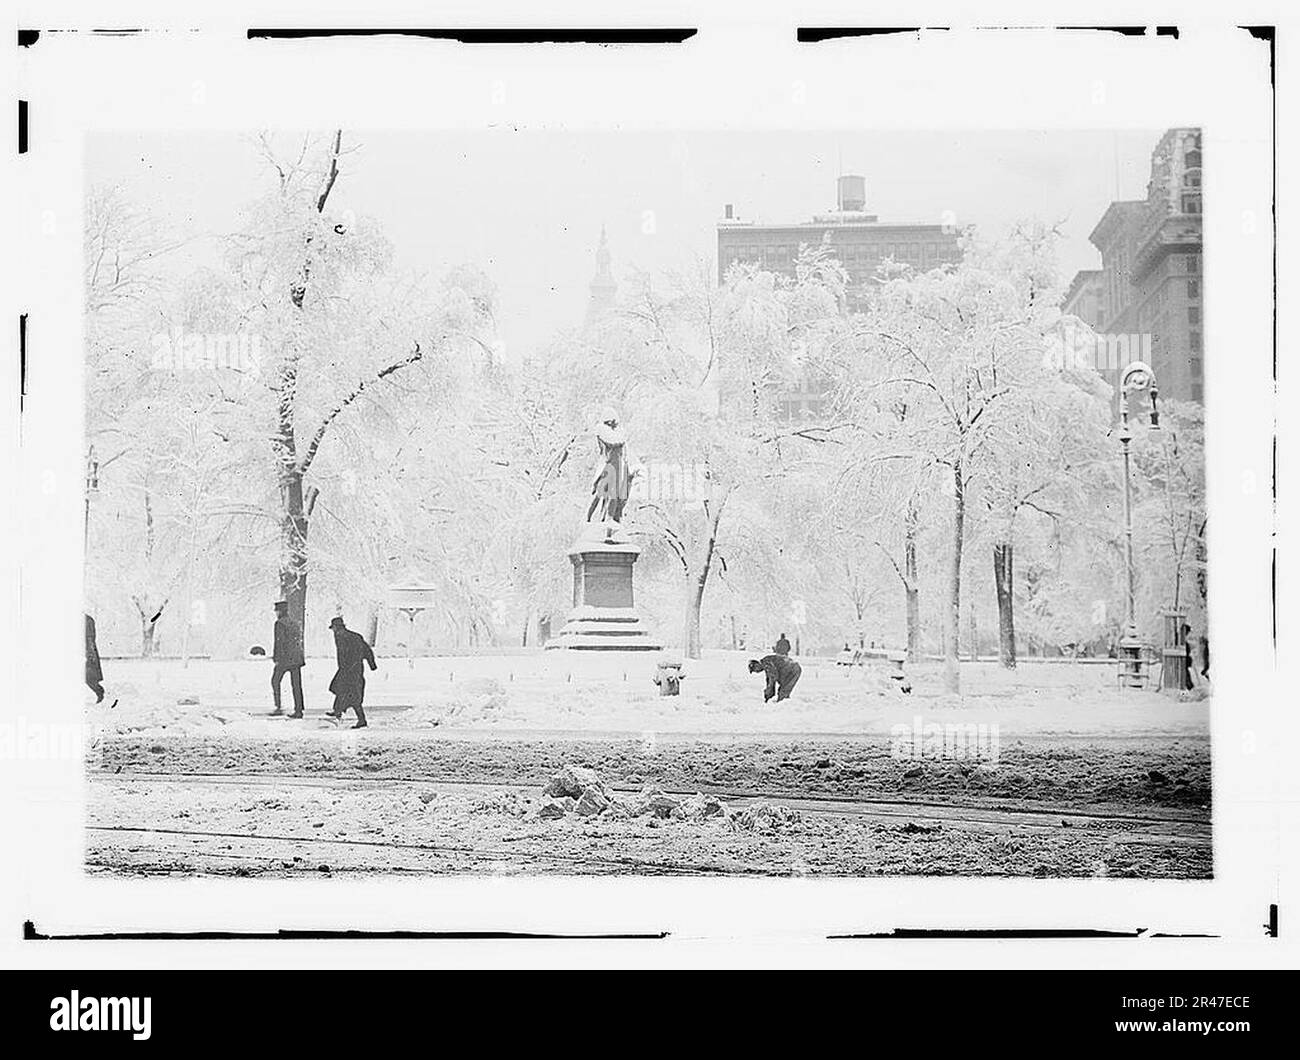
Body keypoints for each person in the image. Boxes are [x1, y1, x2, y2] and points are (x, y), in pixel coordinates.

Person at [327, 616, 377, 728]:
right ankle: (338, 710)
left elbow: (346, 655)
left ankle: (361, 720)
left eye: (334, 628)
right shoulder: (355, 636)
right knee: (340, 688)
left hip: (349, 670)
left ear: (337, 628)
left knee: (351, 694)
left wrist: (345, 667)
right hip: (355, 669)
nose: (333, 631)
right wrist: (372, 664)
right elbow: (367, 650)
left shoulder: (341, 637)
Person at [269, 600, 306, 718]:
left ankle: (278, 707)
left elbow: (279, 642)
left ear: (280, 611)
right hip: (296, 658)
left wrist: (276, 657)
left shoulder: (279, 623)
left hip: (285, 659)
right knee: (296, 685)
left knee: (275, 681)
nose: (276, 613)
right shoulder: (294, 623)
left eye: (277, 611)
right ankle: (299, 709)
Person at [85, 613, 105, 703]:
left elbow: (90, 639)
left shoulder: (87, 620)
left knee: (89, 678)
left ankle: (100, 692)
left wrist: (90, 653)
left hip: (87, 653)